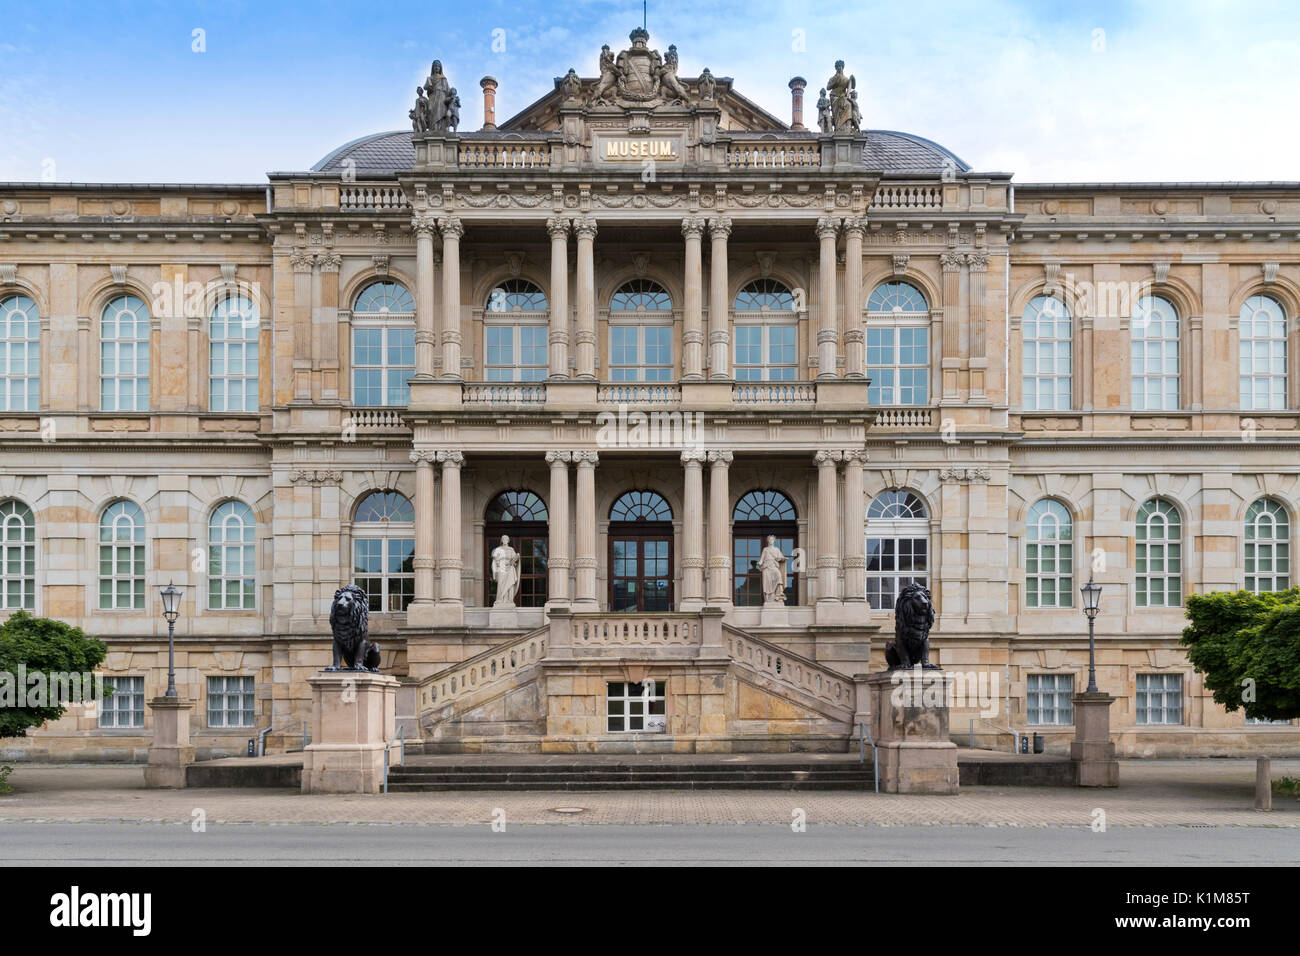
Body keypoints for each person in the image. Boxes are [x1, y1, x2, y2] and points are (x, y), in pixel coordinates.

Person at [758, 535, 788, 606]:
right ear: (768, 541)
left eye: (772, 540)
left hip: (774, 566)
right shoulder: (765, 549)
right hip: (767, 568)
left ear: (774, 541)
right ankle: (769, 598)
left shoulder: (777, 549)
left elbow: (781, 558)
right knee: (768, 584)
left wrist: (781, 559)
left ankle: (779, 595)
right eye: (769, 540)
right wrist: (759, 563)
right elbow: (761, 559)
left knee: (779, 576)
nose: (771, 541)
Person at [491, 534, 520, 607]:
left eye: (506, 539)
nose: (505, 540)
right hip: (501, 568)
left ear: (508, 541)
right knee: (500, 584)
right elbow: (495, 560)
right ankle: (500, 600)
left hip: (510, 568)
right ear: (501, 540)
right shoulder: (498, 549)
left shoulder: (511, 549)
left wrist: (516, 558)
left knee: (510, 584)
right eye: (503, 539)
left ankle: (509, 600)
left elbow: (515, 560)